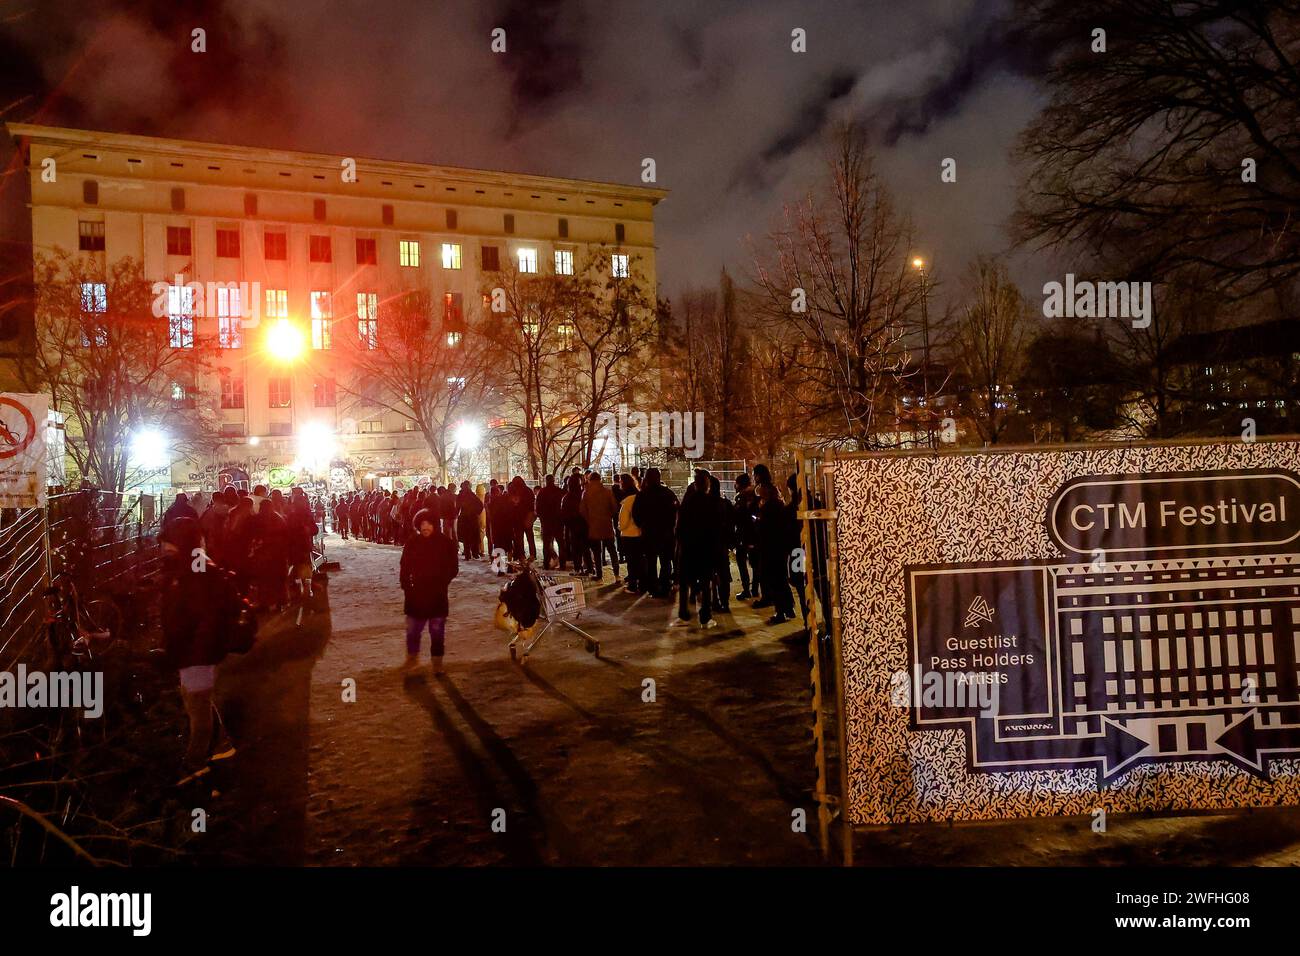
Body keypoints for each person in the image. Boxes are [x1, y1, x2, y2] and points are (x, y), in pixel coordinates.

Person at [160, 517, 238, 784]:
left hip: (196, 653)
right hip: (190, 652)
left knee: (197, 707)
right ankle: (223, 745)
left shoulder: (196, 570)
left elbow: (206, 618)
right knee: (197, 701)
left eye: (168, 542)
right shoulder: (185, 567)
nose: (164, 547)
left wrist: (196, 654)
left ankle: (194, 765)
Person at [399, 508, 459, 675]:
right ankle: (412, 659)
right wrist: (406, 586)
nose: (425, 527)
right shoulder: (412, 542)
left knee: (437, 630)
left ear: (435, 525)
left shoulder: (445, 543)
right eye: (422, 524)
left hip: (437, 594)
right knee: (413, 630)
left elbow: (453, 567)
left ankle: (437, 663)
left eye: (428, 524)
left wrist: (442, 581)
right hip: (415, 594)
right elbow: (404, 566)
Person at [673, 469, 725, 628]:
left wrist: (681, 545)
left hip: (688, 549)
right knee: (705, 583)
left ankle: (683, 614)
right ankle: (705, 617)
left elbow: (679, 528)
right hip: (705, 550)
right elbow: (716, 529)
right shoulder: (713, 503)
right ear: (707, 484)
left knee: (684, 584)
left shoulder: (687, 503)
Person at [632, 467, 678, 598]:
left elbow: (636, 514)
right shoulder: (667, 493)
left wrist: (642, 525)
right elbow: (675, 510)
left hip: (649, 533)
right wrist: (671, 525)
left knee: (651, 562)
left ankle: (653, 588)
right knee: (665, 561)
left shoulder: (642, 494)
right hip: (665, 532)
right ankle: (665, 586)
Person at [756, 481, 795, 624]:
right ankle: (789, 607)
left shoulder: (768, 508)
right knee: (781, 579)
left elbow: (764, 529)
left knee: (775, 580)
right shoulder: (780, 505)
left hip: (770, 548)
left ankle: (780, 612)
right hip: (780, 548)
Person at [580, 471, 619, 582]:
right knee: (612, 550)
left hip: (593, 526)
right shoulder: (608, 492)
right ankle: (616, 575)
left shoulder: (586, 493)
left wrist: (589, 519)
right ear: (600, 479)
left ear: (590, 480)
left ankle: (599, 575)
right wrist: (608, 516)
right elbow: (614, 507)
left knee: (597, 552)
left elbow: (582, 510)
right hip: (606, 525)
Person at [732, 473, 759, 601]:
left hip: (743, 534)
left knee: (742, 562)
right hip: (756, 534)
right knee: (755, 564)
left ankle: (746, 590)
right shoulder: (756, 493)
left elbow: (737, 516)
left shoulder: (741, 497)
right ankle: (754, 588)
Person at [617, 473, 643, 593]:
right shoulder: (640, 497)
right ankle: (642, 583)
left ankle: (632, 585)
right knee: (640, 560)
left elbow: (623, 522)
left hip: (629, 534)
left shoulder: (627, 501)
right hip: (640, 533)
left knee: (631, 561)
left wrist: (619, 527)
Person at [560, 474, 590, 575]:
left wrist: (567, 525)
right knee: (586, 547)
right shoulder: (583, 494)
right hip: (584, 524)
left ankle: (578, 568)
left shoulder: (566, 498)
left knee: (575, 548)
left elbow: (563, 514)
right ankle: (589, 567)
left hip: (573, 526)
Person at [535, 474, 564, 569]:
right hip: (558, 520)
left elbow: (538, 507)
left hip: (546, 521)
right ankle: (562, 564)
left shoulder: (542, 492)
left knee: (546, 544)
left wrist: (542, 518)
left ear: (546, 481)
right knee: (560, 543)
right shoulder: (559, 491)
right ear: (553, 480)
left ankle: (546, 564)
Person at [456, 480, 484, 558]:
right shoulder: (472, 495)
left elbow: (457, 507)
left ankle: (468, 554)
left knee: (466, 537)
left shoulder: (461, 495)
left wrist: (457, 514)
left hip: (464, 518)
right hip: (472, 518)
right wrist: (476, 513)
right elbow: (480, 505)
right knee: (473, 536)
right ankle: (474, 553)